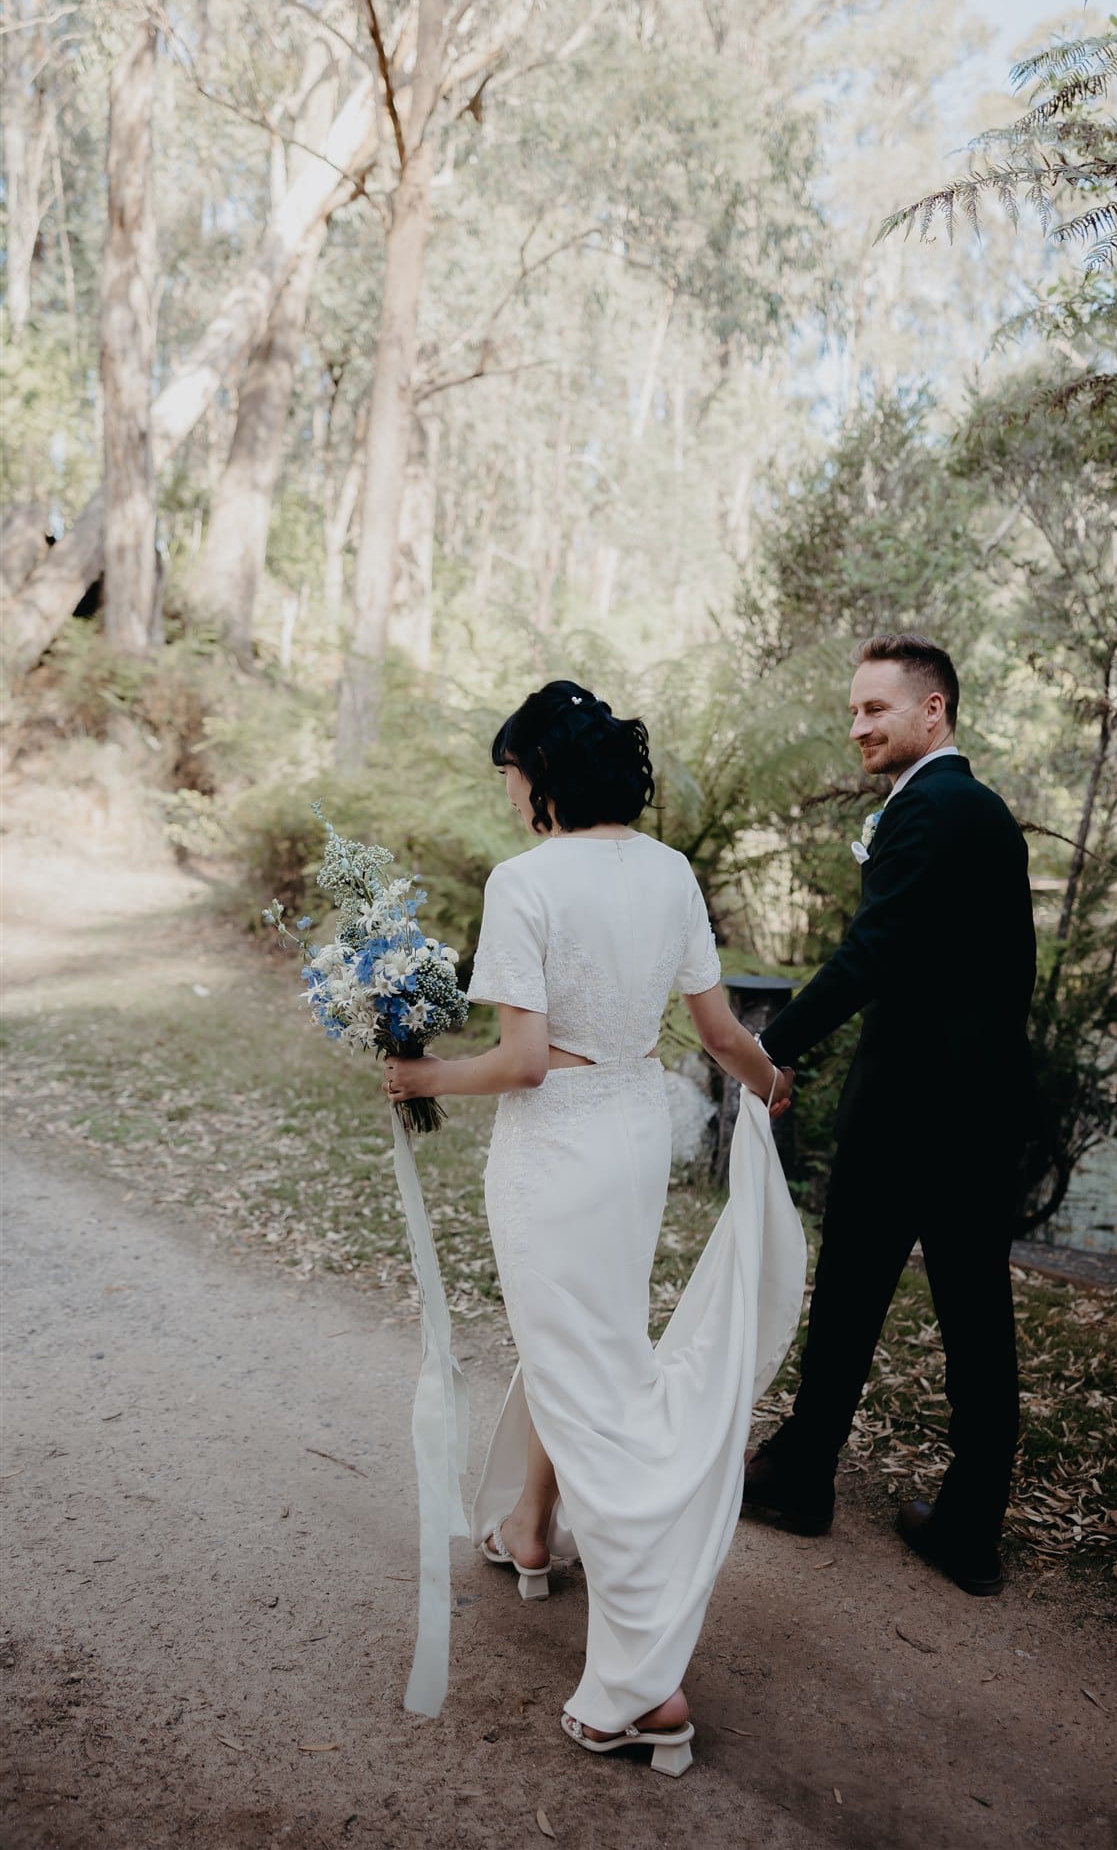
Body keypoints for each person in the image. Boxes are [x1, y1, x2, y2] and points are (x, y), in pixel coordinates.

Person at [383, 681, 804, 1774]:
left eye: (514, 772)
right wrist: (770, 1081)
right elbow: (719, 1030)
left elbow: (520, 1060)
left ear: (545, 777)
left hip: (556, 1145)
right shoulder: (669, 873)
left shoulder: (525, 881)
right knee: (584, 1344)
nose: (513, 792)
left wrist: (421, 1073)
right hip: (633, 1141)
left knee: (591, 1381)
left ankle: (645, 1687)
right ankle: (530, 1527)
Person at [744, 633, 1037, 1596]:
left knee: (855, 1290)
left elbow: (870, 955)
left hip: (911, 1108)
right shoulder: (982, 812)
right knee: (974, 1312)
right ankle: (968, 1523)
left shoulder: (929, 811)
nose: (857, 728)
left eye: (875, 709)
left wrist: (768, 1046)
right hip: (981, 1110)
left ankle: (800, 1477)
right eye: (853, 712)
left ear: (932, 712)